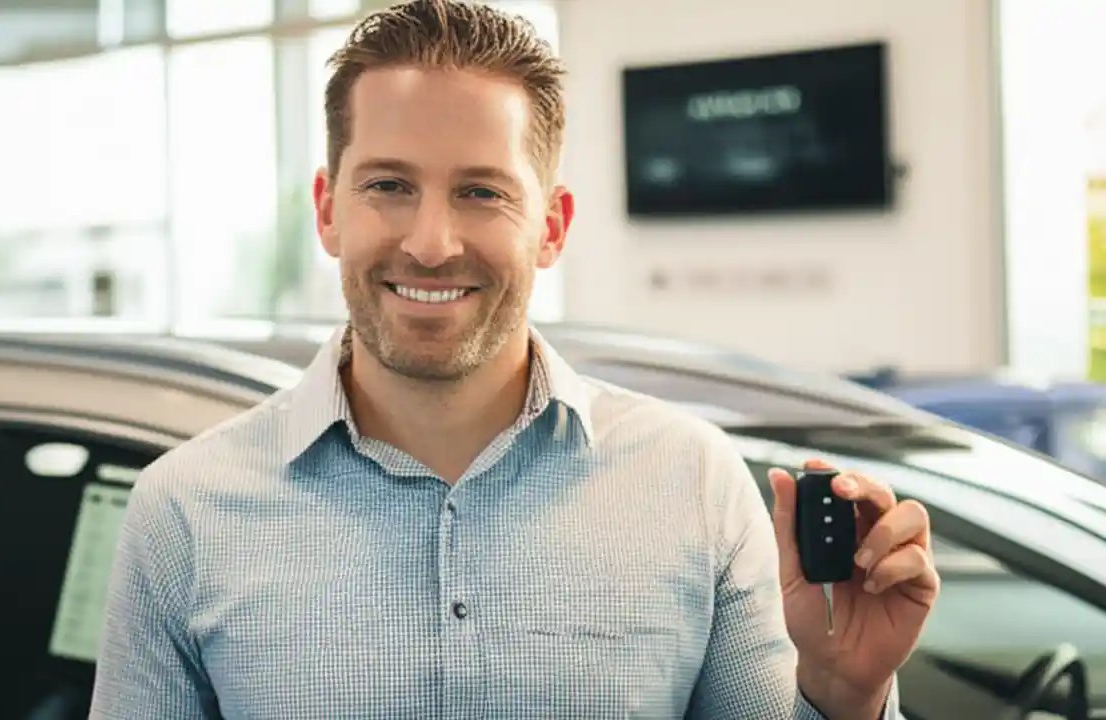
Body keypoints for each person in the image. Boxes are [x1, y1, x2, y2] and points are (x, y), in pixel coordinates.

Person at [88, 1, 939, 717]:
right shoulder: (185, 514)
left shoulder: (693, 484)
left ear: (553, 227)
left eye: (481, 192)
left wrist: (842, 696)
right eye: (388, 185)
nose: (430, 243)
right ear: (328, 209)